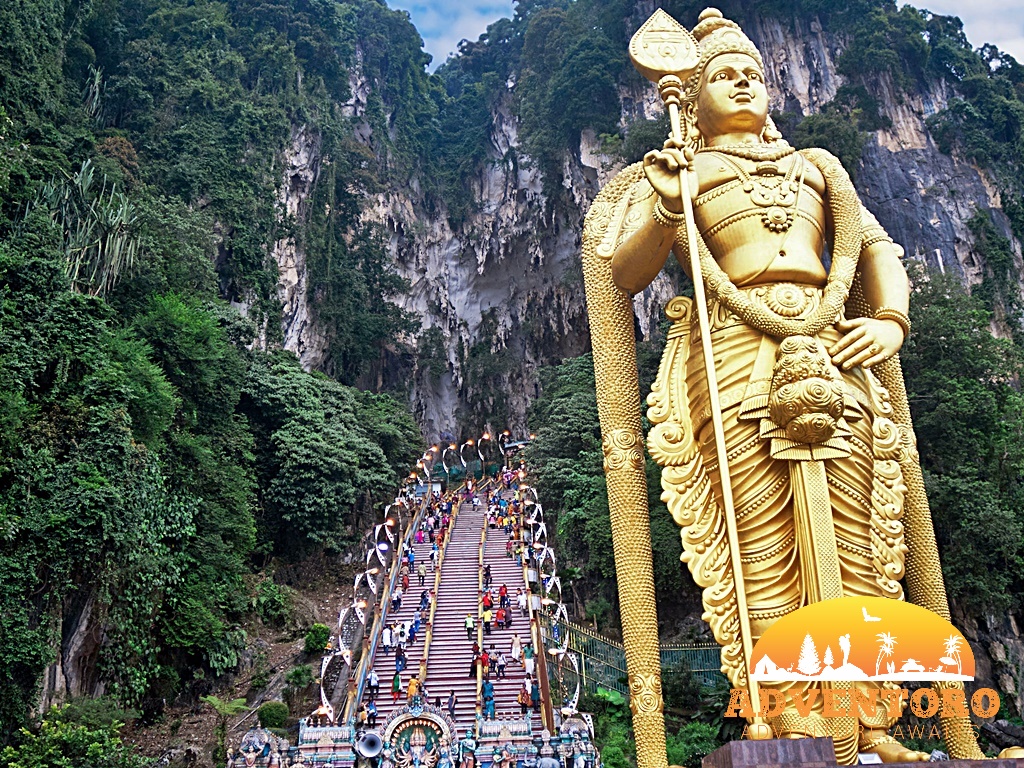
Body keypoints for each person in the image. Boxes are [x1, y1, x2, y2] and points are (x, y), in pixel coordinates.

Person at [582, 7, 956, 763]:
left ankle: (872, 720)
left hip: (834, 349)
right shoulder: (685, 175)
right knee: (760, 541)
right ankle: (792, 715)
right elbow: (620, 273)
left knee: (862, 540)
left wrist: (890, 321)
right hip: (731, 359)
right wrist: (662, 203)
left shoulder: (817, 169)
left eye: (754, 71)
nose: (746, 81)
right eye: (725, 74)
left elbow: (877, 248)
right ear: (691, 95)